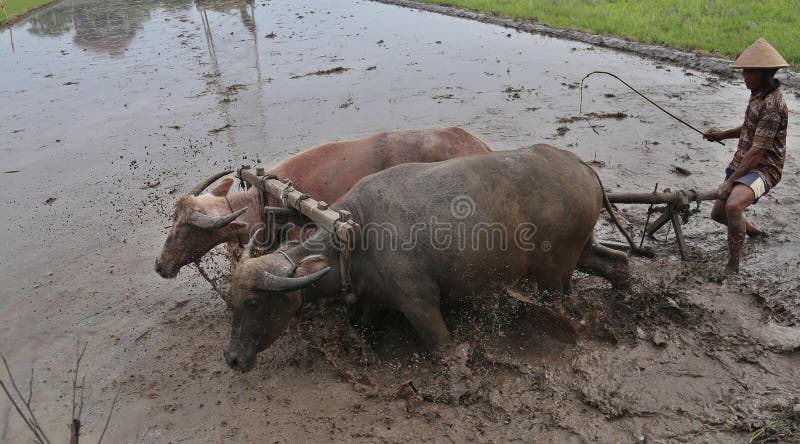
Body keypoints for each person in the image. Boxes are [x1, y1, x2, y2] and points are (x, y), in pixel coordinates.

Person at [703, 38, 789, 274]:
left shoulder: (773, 105)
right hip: (745, 160)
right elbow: (749, 127)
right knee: (718, 213)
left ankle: (733, 266)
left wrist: (731, 181)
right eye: (744, 72)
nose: (745, 77)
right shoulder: (758, 93)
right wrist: (722, 134)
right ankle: (752, 231)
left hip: (765, 169)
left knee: (732, 207)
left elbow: (759, 150)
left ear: (766, 73)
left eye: (750, 72)